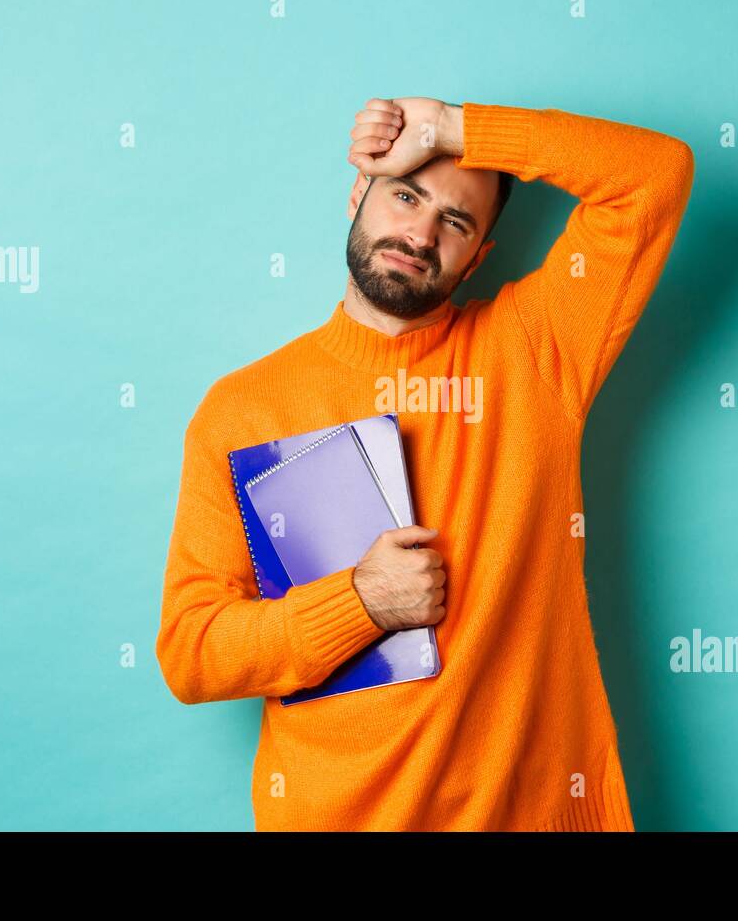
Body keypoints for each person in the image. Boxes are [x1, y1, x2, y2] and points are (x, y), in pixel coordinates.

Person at [156, 96, 694, 830]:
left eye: (457, 220)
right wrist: (359, 603)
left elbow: (655, 175)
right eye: (406, 194)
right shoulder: (242, 408)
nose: (420, 232)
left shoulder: (534, 350)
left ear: (480, 255)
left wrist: (446, 126)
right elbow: (193, 652)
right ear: (358, 193)